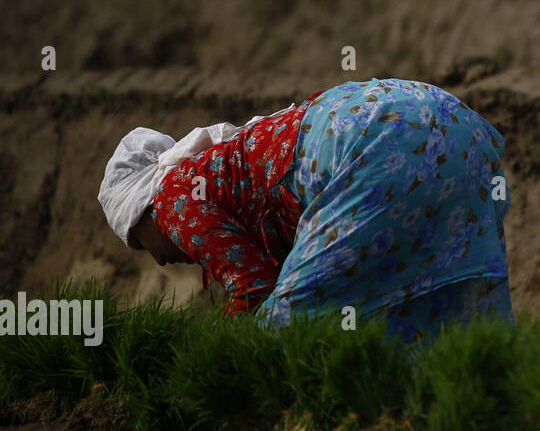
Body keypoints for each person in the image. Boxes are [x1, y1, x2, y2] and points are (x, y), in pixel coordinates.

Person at [98, 77, 513, 344]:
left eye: (140, 243)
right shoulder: (219, 166)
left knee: (281, 329)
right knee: (450, 313)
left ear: (145, 212)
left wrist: (209, 354)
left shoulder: (173, 197)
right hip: (446, 120)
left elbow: (254, 288)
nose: (158, 258)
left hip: (375, 141)